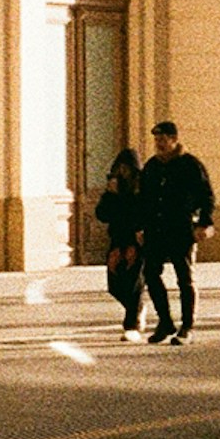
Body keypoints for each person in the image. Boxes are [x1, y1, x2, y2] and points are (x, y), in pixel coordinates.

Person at [137, 120, 215, 345]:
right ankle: (165, 322)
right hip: (155, 228)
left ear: (174, 139)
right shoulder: (152, 166)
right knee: (151, 274)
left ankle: (187, 327)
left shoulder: (190, 165)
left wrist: (204, 223)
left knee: (185, 278)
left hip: (180, 227)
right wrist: (140, 227)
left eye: (163, 140)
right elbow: (144, 199)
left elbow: (206, 196)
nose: (159, 144)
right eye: (157, 140)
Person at [96, 146, 146, 340]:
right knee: (115, 285)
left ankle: (131, 325)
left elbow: (145, 211)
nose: (122, 172)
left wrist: (142, 230)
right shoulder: (114, 188)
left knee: (134, 283)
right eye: (120, 168)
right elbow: (102, 214)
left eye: (126, 169)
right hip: (117, 239)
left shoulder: (141, 188)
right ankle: (138, 308)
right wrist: (111, 194)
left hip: (136, 239)